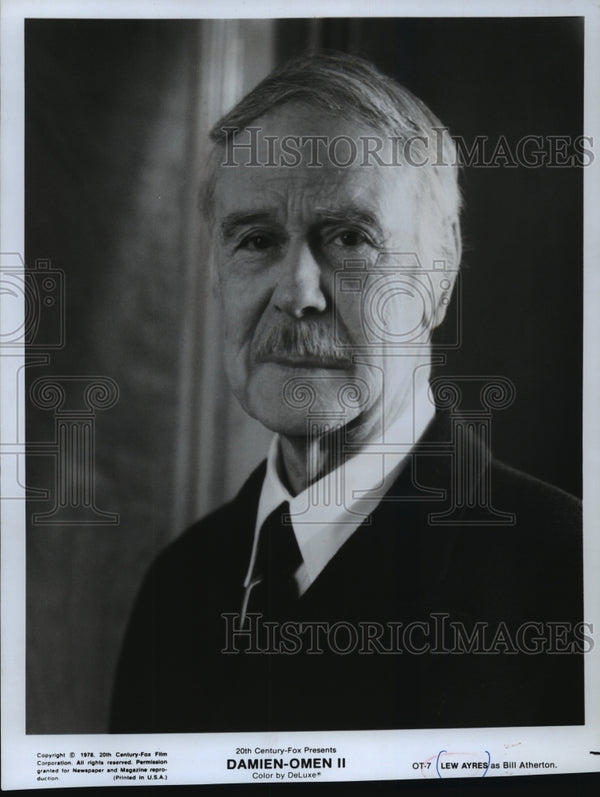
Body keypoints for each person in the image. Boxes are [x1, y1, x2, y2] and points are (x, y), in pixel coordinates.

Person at [110, 52, 583, 733]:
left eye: (349, 237)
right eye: (256, 239)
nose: (297, 292)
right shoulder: (175, 589)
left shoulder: (566, 579)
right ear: (216, 275)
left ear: (439, 275)